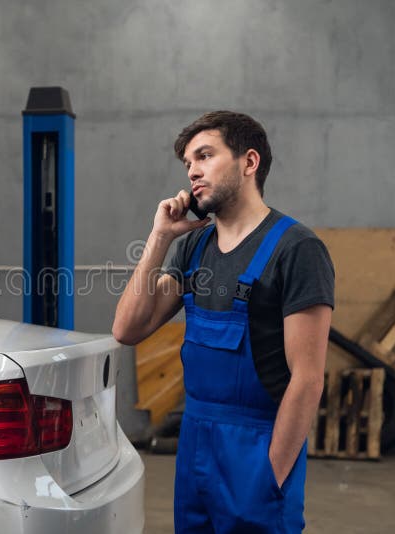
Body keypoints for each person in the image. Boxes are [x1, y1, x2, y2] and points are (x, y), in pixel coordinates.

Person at [112, 111, 334, 533]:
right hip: (195, 444)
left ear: (249, 163)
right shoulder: (193, 247)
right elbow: (127, 329)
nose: (192, 171)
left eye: (205, 155)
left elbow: (307, 380)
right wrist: (160, 238)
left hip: (258, 447)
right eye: (188, 163)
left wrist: (272, 474)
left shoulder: (297, 248)